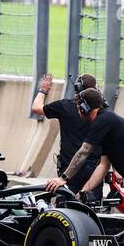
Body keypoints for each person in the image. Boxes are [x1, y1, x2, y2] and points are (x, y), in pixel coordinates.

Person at [47, 87, 124, 222]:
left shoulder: (103, 120)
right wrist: (83, 192)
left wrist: (64, 178)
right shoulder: (105, 121)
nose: (77, 111)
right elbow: (103, 166)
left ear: (84, 107)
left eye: (78, 107)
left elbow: (84, 152)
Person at [32, 72, 109, 201]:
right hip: (94, 170)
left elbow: (36, 108)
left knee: (66, 208)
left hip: (69, 169)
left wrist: (44, 89)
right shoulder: (102, 111)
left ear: (77, 89)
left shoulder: (65, 106)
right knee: (92, 209)